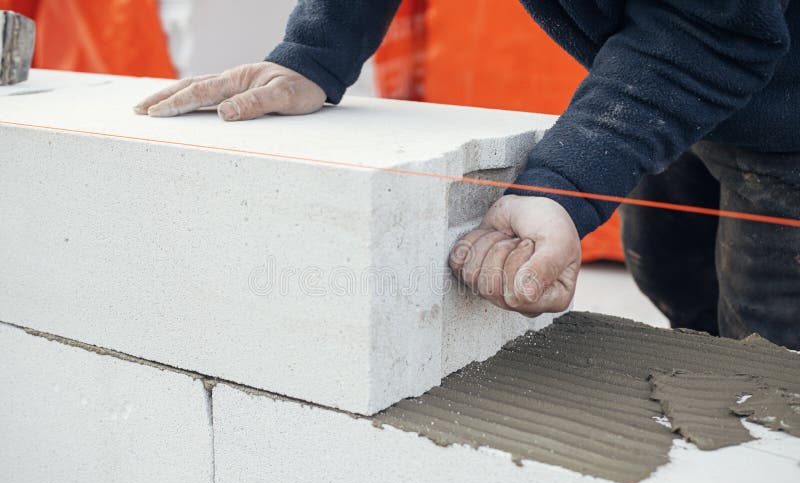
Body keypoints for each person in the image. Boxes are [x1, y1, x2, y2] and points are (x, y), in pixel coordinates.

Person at [135, 1, 800, 349]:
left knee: (767, 347)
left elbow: (713, 32)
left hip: (780, 102)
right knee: (669, 270)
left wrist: (564, 184)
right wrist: (314, 55)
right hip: (684, 83)